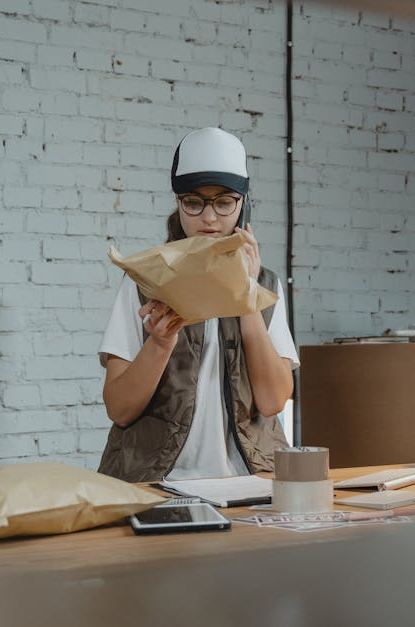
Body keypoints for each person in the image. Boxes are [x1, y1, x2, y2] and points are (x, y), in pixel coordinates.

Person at [96, 127, 298, 483]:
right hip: (157, 483)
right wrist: (158, 344)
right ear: (178, 203)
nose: (209, 218)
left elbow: (273, 402)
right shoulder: (143, 282)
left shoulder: (265, 284)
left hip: (248, 480)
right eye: (194, 202)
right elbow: (119, 408)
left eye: (223, 202)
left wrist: (245, 297)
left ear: (243, 205)